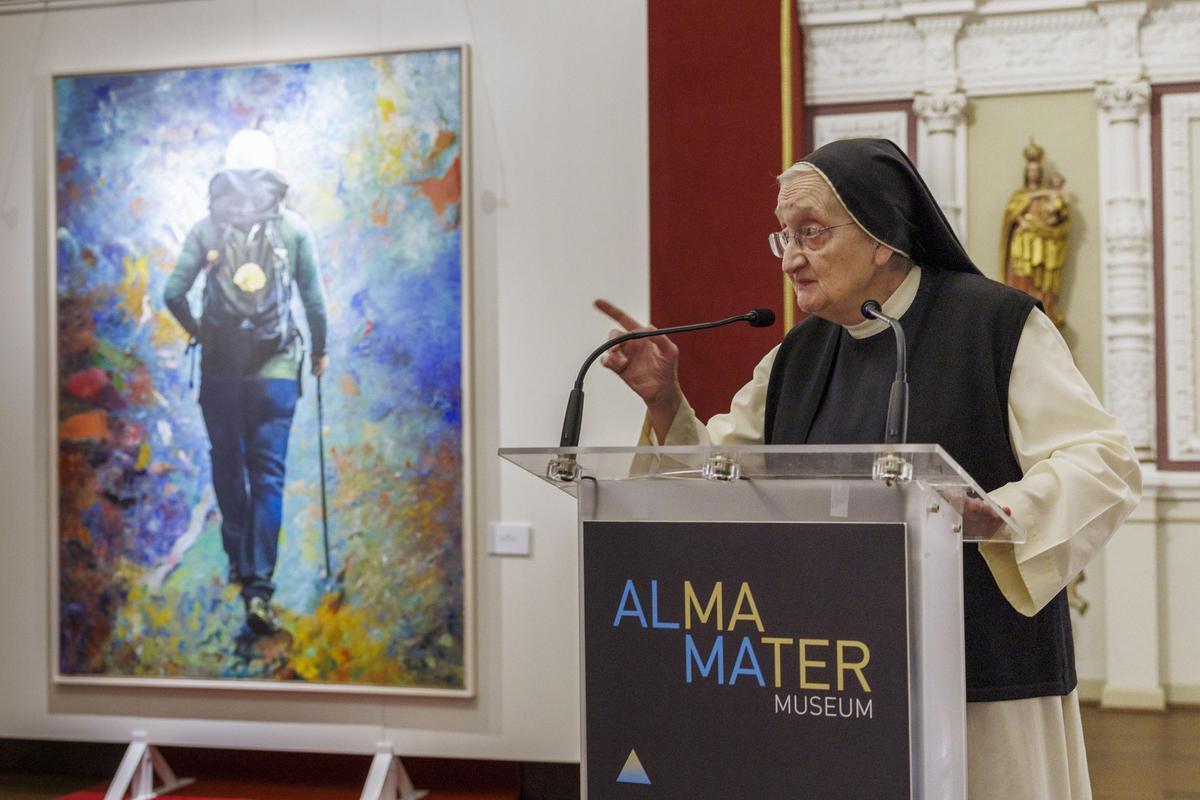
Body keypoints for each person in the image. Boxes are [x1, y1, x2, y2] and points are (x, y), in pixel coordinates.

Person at [597, 138, 1141, 799]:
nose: (791, 257)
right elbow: (721, 478)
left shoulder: (993, 325)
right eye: (783, 237)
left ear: (882, 236)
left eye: (812, 233)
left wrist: (1002, 516)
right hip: (834, 680)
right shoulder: (797, 355)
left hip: (981, 676)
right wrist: (665, 403)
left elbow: (1103, 459)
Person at [164, 129, 329, 637]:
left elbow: (172, 293)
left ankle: (237, 554)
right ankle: (259, 589)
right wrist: (319, 351)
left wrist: (200, 335)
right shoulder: (294, 228)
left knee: (226, 463)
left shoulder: (205, 228)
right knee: (269, 476)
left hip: (219, 371)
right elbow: (315, 303)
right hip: (276, 372)